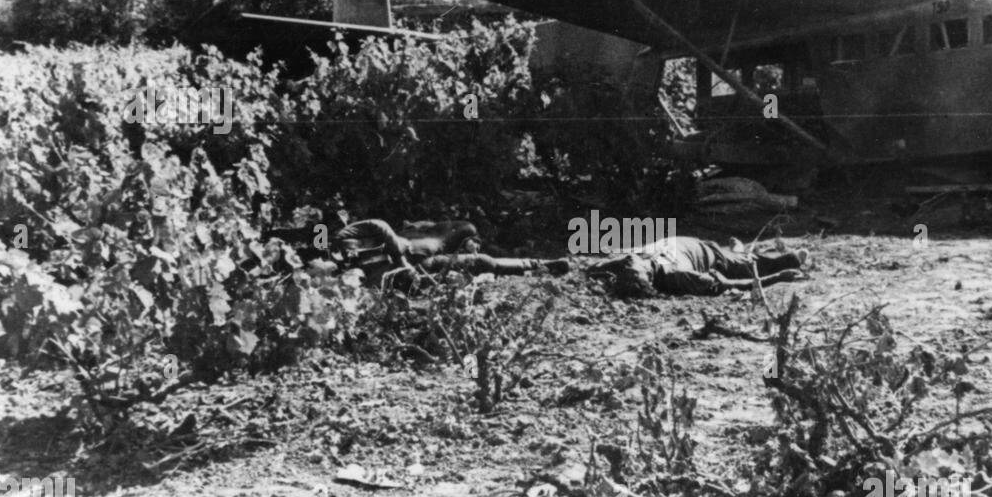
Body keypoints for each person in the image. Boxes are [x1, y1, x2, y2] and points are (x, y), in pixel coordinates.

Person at [336, 219, 567, 287]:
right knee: (484, 262)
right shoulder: (349, 283)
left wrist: (400, 259)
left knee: (466, 228)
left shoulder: (341, 238)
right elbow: (392, 283)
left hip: (417, 246)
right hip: (423, 266)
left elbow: (380, 226)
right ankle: (541, 266)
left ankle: (539, 262)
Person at [585, 236, 807, 297]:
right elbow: (732, 284)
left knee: (739, 257)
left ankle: (739, 249)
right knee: (746, 264)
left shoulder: (626, 260)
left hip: (691, 245)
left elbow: (589, 267)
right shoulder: (677, 276)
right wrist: (777, 277)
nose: (633, 261)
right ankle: (785, 260)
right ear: (650, 278)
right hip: (708, 255)